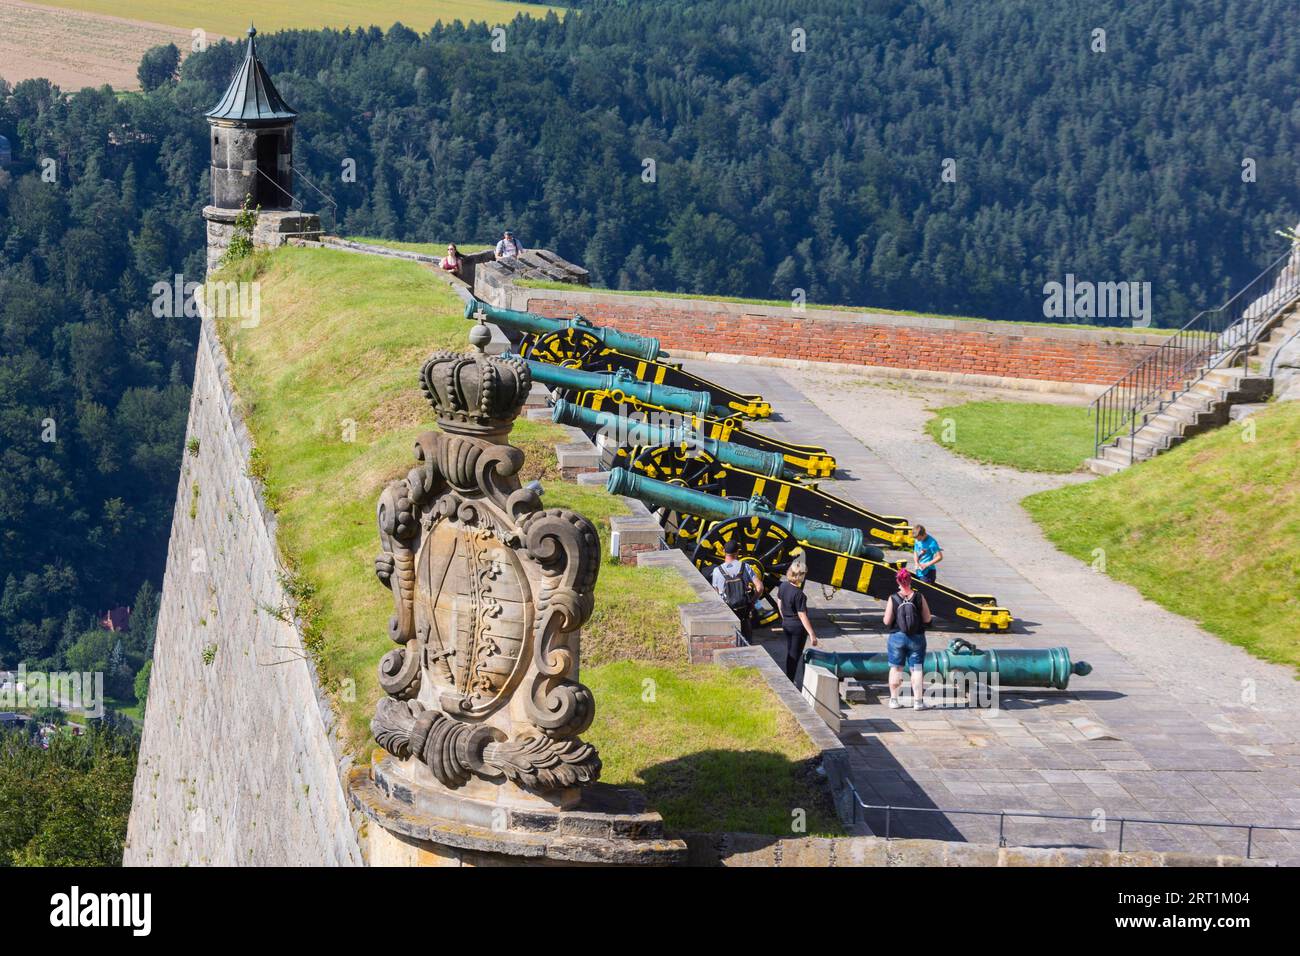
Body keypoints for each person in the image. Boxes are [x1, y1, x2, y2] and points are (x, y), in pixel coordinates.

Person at [882, 568, 932, 710]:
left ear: (898, 581)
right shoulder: (918, 597)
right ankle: (918, 702)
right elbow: (927, 618)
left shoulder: (893, 598)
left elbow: (886, 621)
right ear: (910, 580)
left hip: (897, 637)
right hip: (916, 638)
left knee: (896, 668)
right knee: (916, 669)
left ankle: (894, 700)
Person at [711, 539, 763, 644]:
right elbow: (760, 587)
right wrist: (752, 601)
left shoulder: (717, 571)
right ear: (737, 552)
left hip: (727, 610)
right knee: (747, 640)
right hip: (743, 609)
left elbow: (715, 593)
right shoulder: (745, 567)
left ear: (724, 552)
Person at [775, 564, 818, 686]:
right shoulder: (799, 594)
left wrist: (784, 617)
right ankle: (789, 680)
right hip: (797, 628)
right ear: (801, 576)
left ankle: (789, 676)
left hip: (786, 623)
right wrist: (812, 634)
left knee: (790, 650)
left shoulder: (783, 586)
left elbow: (779, 602)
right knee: (795, 654)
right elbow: (802, 615)